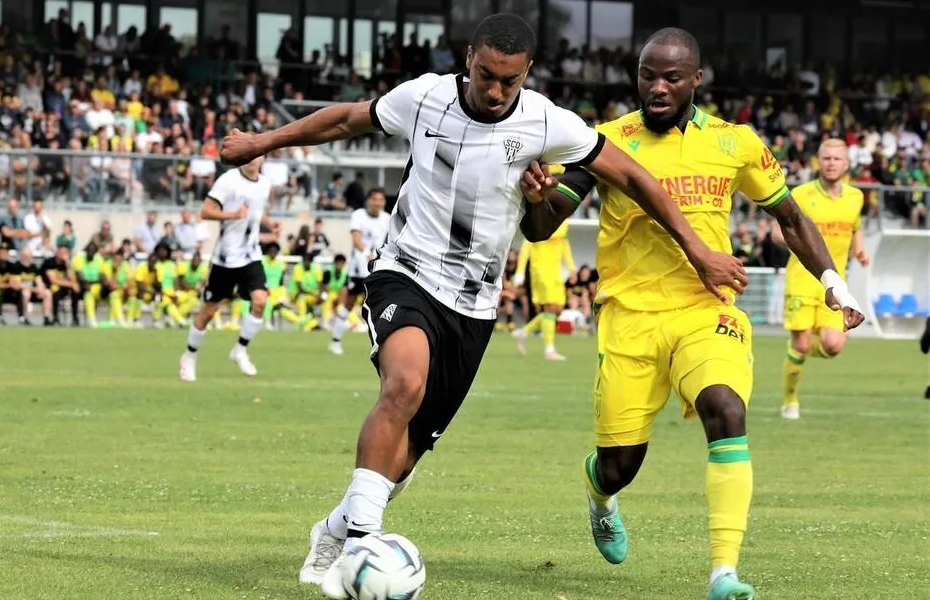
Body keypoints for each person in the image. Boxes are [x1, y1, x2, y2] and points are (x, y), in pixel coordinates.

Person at [221, 14, 744, 599]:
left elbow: (636, 177)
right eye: (485, 75)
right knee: (403, 384)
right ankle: (366, 540)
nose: (495, 92)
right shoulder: (423, 97)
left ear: (526, 75)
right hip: (406, 273)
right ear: (468, 59)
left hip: (473, 304)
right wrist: (262, 141)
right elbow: (347, 118)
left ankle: (336, 526)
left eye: (509, 81)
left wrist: (698, 249)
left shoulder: (547, 120)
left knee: (411, 449)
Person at [524, 28, 865, 600]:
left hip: (707, 309)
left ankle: (723, 573)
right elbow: (541, 226)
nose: (657, 88)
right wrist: (536, 199)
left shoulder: (734, 143)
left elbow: (790, 215)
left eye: (671, 78)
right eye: (647, 75)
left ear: (696, 80)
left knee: (726, 409)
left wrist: (833, 280)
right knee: (619, 465)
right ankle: (600, 495)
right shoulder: (603, 141)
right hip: (630, 320)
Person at [780, 139, 868, 419]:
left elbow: (855, 227)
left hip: (835, 286)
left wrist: (859, 250)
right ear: (819, 162)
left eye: (836, 159)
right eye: (826, 158)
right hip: (802, 280)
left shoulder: (856, 197)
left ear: (846, 164)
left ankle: (799, 350)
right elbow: (785, 226)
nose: (831, 163)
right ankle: (790, 401)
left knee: (833, 346)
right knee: (802, 343)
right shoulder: (802, 194)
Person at [179, 155, 279, 382]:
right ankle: (189, 356)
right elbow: (205, 211)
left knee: (261, 300)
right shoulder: (228, 180)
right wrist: (232, 215)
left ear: (263, 158)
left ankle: (240, 349)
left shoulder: (265, 183)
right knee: (209, 311)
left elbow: (257, 209)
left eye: (257, 155)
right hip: (225, 258)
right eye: (247, 155)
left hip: (251, 255)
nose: (252, 160)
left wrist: (268, 223)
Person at [329, 188, 391, 355]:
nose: (377, 203)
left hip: (377, 269)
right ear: (368, 200)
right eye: (374, 199)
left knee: (379, 305)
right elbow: (356, 240)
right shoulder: (359, 215)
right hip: (358, 268)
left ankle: (379, 344)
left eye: (380, 200)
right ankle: (335, 340)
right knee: (349, 304)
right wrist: (367, 254)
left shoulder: (387, 219)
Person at [512, 219, 575, 360]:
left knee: (557, 309)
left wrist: (571, 268)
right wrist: (520, 271)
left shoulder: (563, 221)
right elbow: (527, 244)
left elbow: (563, 244)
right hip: (541, 270)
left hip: (556, 272)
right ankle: (549, 350)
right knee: (550, 308)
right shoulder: (540, 218)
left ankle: (524, 332)